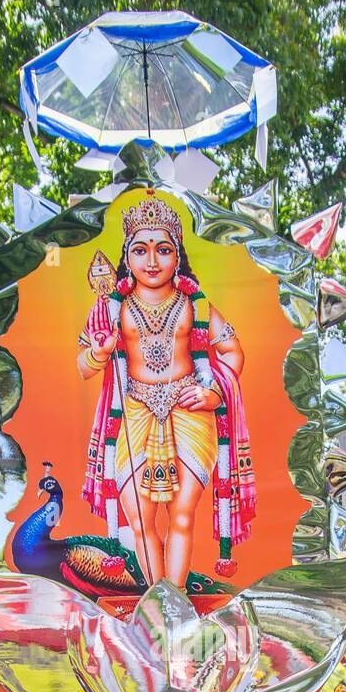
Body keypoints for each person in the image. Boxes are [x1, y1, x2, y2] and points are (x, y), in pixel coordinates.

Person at [79, 192, 253, 590]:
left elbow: (232, 351)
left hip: (190, 411)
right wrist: (100, 352)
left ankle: (174, 604)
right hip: (135, 411)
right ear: (127, 255)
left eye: (163, 250)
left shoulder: (197, 305)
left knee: (181, 515)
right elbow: (84, 368)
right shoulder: (110, 308)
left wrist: (215, 393)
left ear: (177, 255)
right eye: (140, 250)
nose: (152, 261)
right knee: (139, 516)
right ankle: (156, 600)